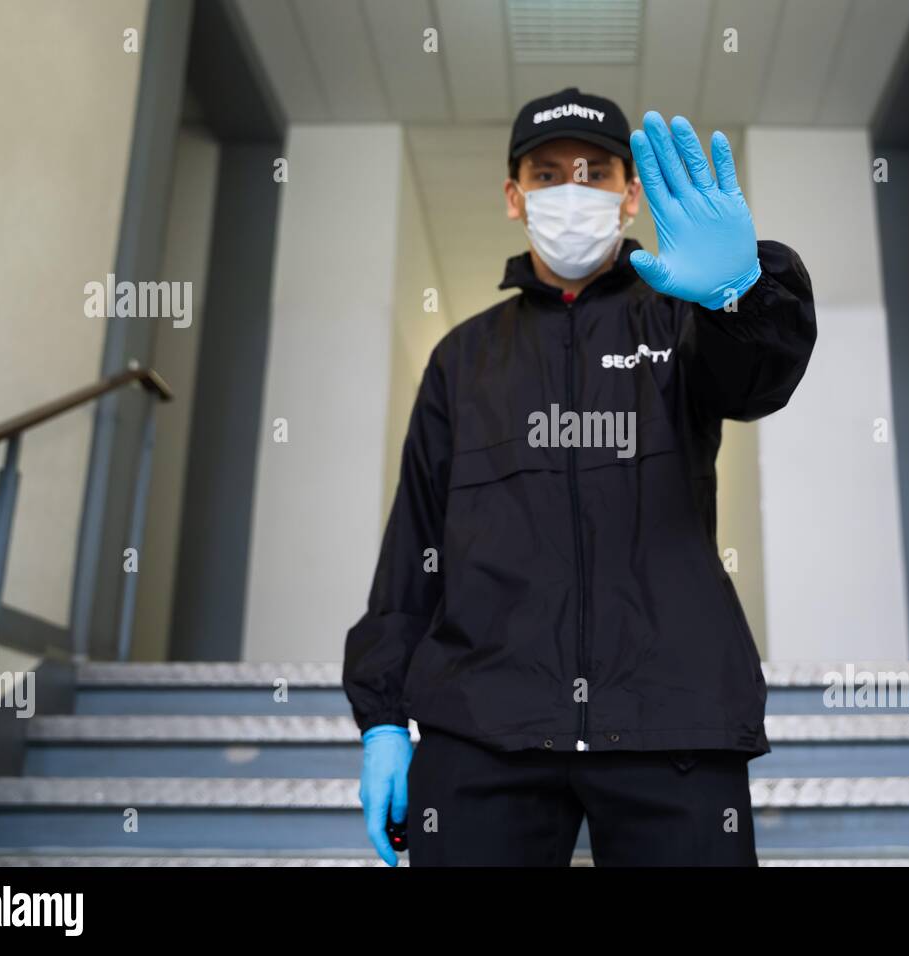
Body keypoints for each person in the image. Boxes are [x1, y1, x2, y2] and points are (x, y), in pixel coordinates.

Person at [344, 87, 817, 866]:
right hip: (484, 720)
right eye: (547, 172)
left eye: (596, 172)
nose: (572, 189)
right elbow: (415, 549)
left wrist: (742, 295)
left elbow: (758, 382)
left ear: (631, 195)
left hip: (671, 712)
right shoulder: (462, 360)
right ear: (513, 195)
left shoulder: (684, 325)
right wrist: (386, 718)